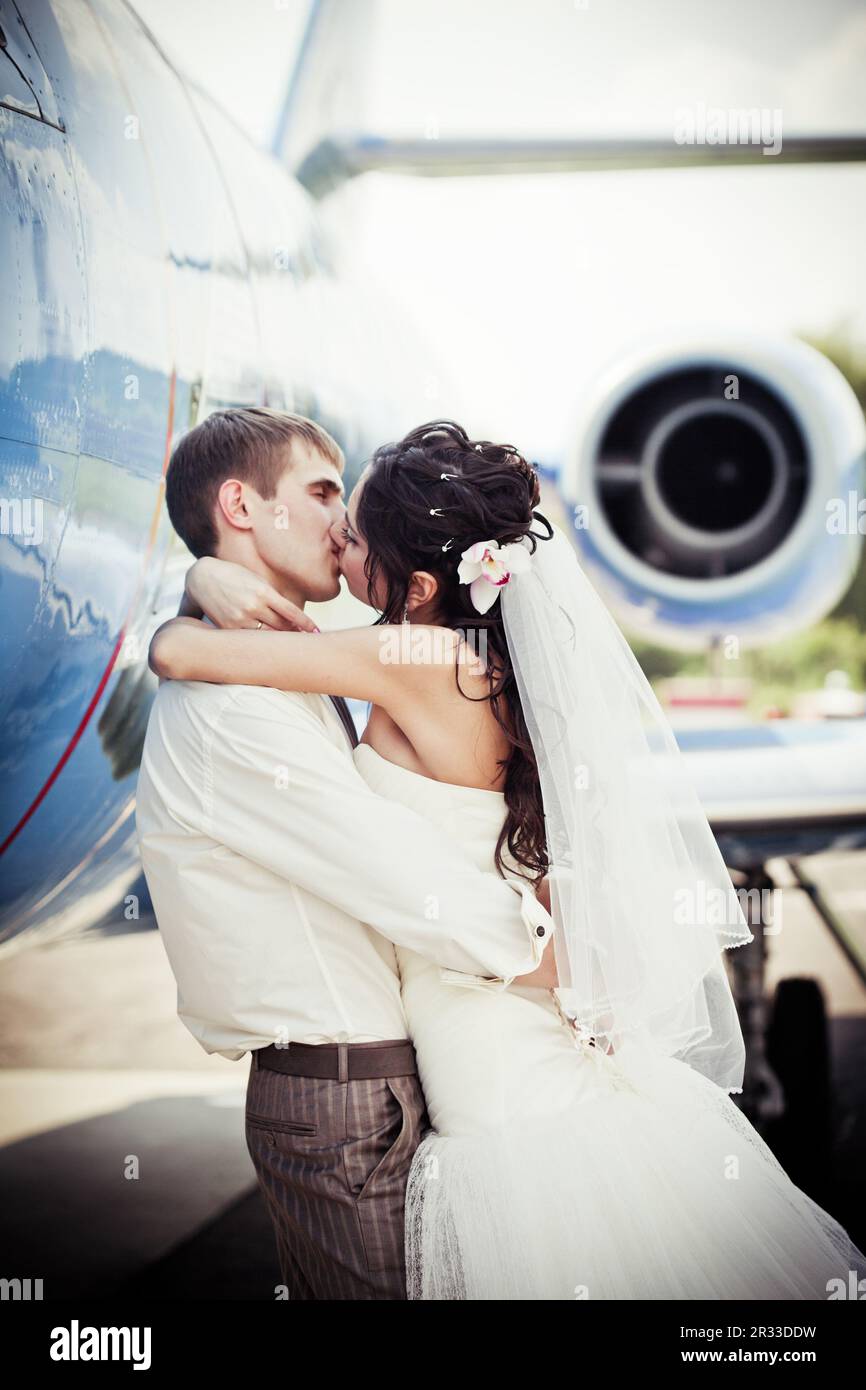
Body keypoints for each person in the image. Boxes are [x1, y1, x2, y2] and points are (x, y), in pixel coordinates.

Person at [150, 417, 866, 1300]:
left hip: (492, 1069)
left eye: (356, 528)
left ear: (415, 585)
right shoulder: (464, 658)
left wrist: (194, 589)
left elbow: (183, 653)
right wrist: (207, 568)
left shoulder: (403, 655)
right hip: (503, 1043)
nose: (340, 539)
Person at [135, 408, 556, 1302]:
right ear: (240, 506)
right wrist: (552, 957)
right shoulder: (238, 706)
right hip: (347, 1089)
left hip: (411, 1066)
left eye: (349, 507)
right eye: (323, 493)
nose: (340, 527)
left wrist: (186, 607)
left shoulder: (329, 661)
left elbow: (192, 651)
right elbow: (400, 882)